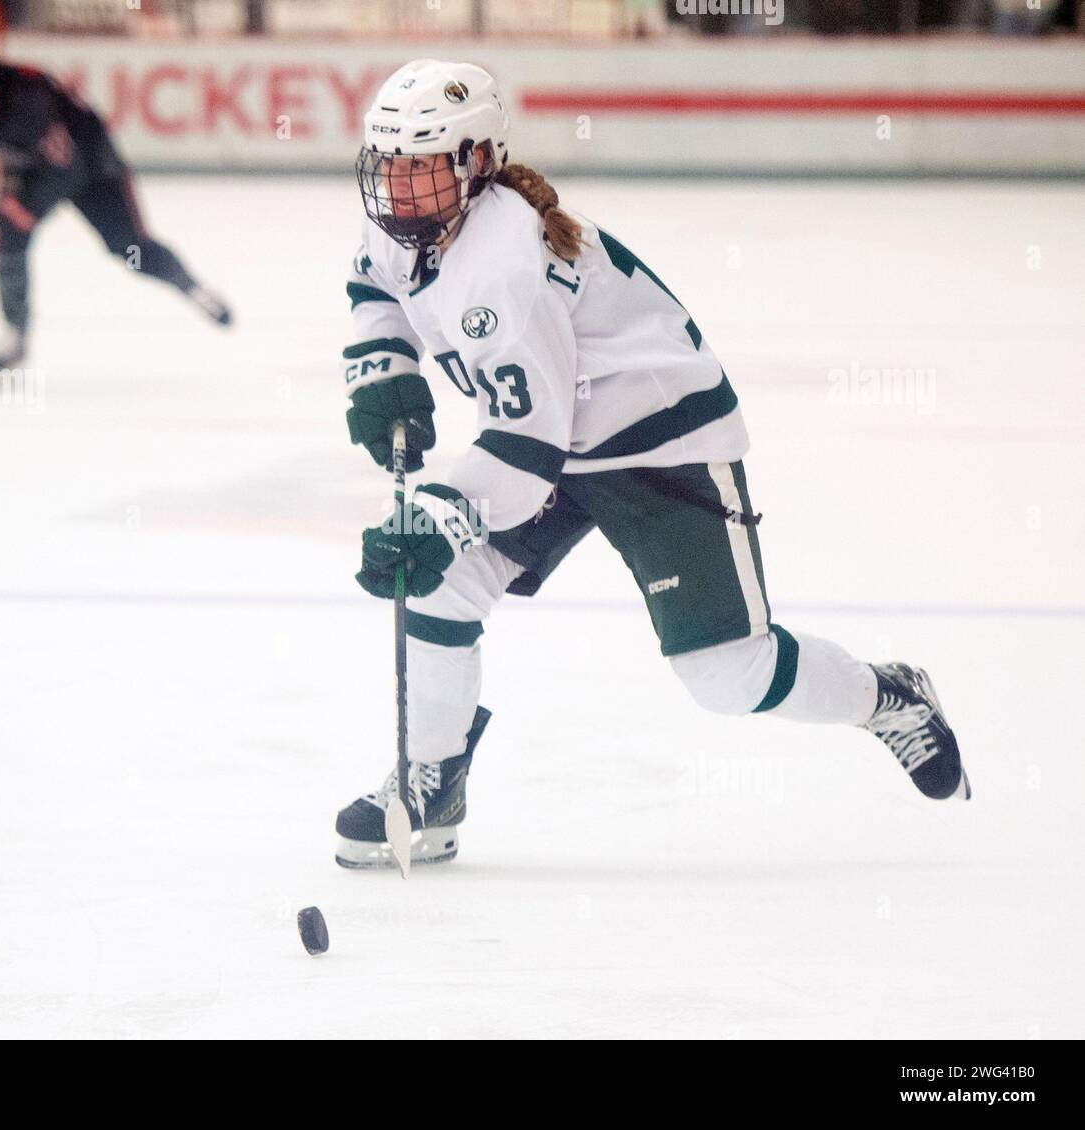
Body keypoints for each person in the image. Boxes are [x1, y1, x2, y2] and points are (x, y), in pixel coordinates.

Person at [334, 59, 970, 870]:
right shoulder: (406, 222)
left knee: (728, 676)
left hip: (661, 446)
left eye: (421, 166)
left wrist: (437, 514)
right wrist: (385, 374)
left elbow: (526, 462)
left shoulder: (502, 265)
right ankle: (433, 785)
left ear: (478, 163)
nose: (397, 189)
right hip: (555, 437)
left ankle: (889, 696)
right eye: (388, 164)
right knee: (440, 583)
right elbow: (373, 289)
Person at [0, 37, 231, 370]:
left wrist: (18, 209)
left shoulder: (29, 98)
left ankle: (190, 285)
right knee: (8, 238)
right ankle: (14, 333)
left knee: (129, 250)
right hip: (29, 162)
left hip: (92, 168)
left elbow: (64, 170)